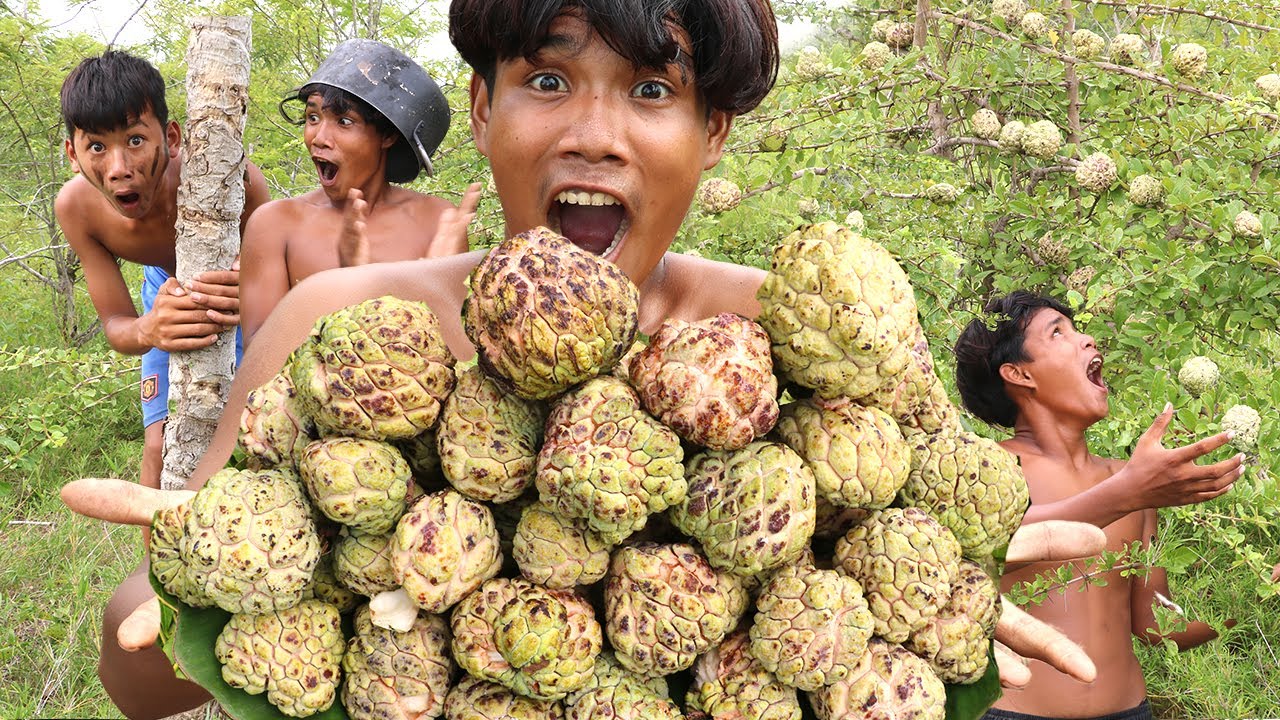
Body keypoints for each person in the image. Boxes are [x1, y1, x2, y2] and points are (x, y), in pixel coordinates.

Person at [68, 3, 1108, 716]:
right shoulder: (339, 324)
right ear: (481, 109)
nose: (595, 135)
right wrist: (209, 576)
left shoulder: (806, 340)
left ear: (715, 133)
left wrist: (934, 592)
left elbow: (930, 543)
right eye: (548, 78)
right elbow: (149, 674)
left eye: (652, 90)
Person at [953, 291, 1245, 720]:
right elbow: (984, 550)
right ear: (1019, 374)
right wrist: (1127, 493)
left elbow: (1154, 626)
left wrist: (1257, 599)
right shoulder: (984, 466)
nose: (1087, 339)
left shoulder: (1134, 480)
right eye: (1058, 333)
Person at [56, 50, 270, 492]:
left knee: (261, 429)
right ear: (72, 155)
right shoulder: (78, 210)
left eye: (135, 140)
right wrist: (151, 328)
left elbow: (272, 264)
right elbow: (117, 325)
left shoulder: (228, 177)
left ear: (171, 138)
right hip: (163, 291)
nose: (119, 169)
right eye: (97, 146)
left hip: (237, 288)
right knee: (159, 445)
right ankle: (156, 561)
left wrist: (246, 283)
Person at [239, 39, 480, 345]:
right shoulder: (274, 224)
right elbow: (260, 359)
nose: (319, 138)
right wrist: (351, 291)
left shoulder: (437, 221)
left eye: (344, 121)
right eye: (313, 118)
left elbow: (459, 358)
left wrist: (441, 288)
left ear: (388, 135)